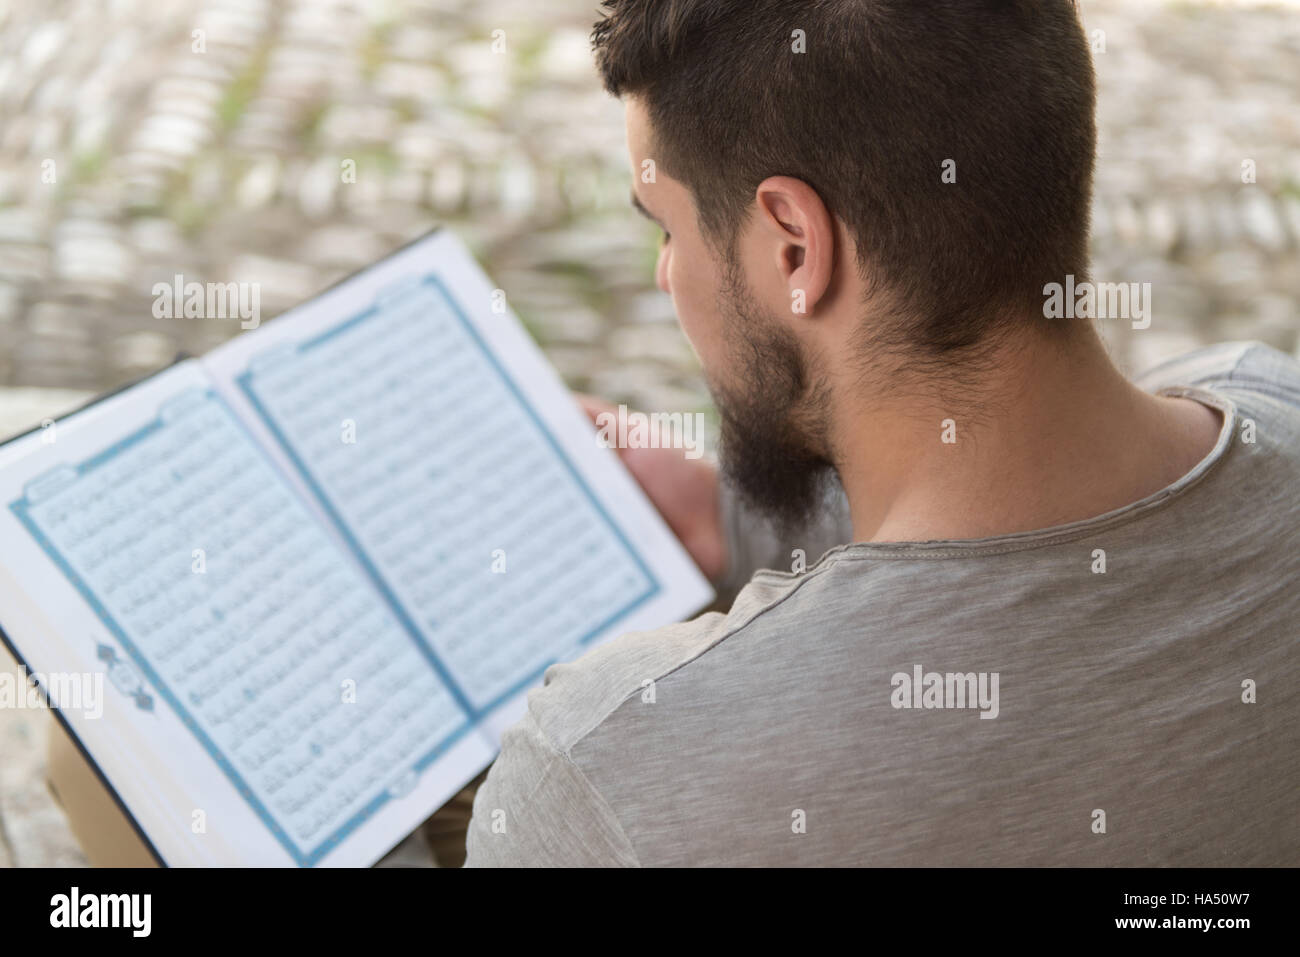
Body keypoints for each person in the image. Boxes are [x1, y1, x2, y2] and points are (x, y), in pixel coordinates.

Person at [463, 0, 1299, 866]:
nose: (667, 274)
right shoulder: (1275, 396)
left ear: (794, 246)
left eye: (669, 228)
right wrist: (731, 523)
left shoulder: (609, 774)